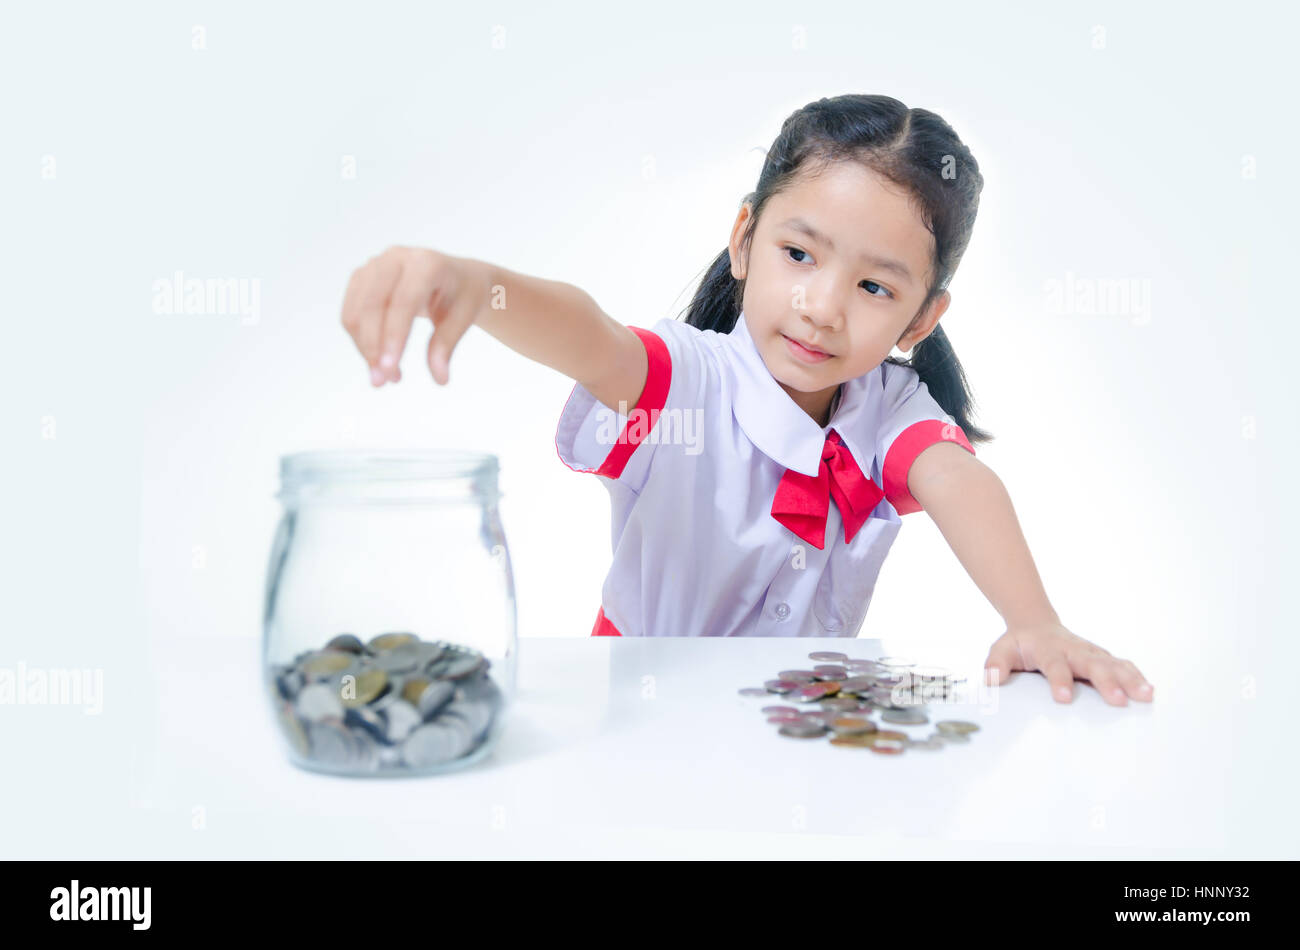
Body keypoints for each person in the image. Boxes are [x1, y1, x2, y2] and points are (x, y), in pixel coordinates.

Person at [339, 93, 1154, 706]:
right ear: (744, 241)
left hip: (802, 719)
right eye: (799, 253)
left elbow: (956, 478)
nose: (823, 304)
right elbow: (596, 340)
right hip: (641, 707)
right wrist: (480, 288)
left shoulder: (894, 407)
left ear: (921, 318)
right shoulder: (689, 382)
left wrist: (1035, 621)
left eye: (874, 284)